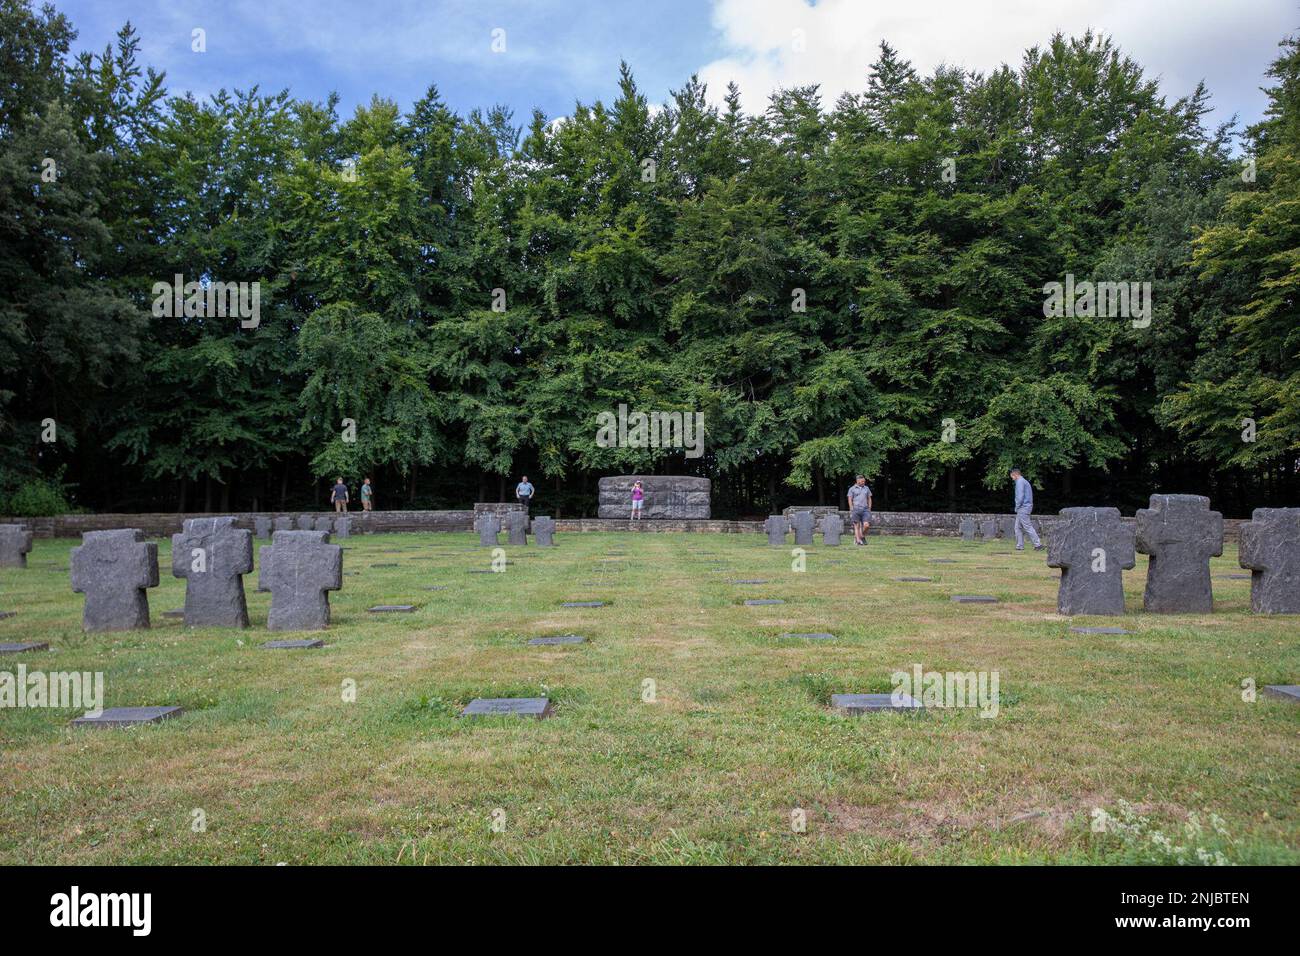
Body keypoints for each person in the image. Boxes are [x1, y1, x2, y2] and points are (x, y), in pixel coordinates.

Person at [1010, 468, 1043, 551]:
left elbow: (1020, 497)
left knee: (1027, 526)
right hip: (1025, 507)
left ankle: (1038, 545)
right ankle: (1019, 546)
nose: (1012, 478)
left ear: (1015, 474)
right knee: (1017, 528)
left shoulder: (1020, 482)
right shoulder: (1024, 481)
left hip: (1023, 507)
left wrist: (1017, 507)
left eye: (1012, 477)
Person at [846, 475, 872, 546]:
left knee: (866, 525)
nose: (864, 482)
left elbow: (869, 498)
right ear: (857, 481)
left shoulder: (866, 488)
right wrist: (851, 507)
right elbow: (849, 499)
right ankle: (858, 541)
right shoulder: (852, 489)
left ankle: (861, 536)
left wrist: (869, 507)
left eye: (864, 481)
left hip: (865, 509)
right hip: (856, 509)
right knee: (856, 526)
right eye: (862, 481)